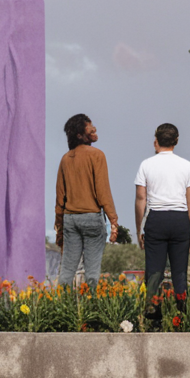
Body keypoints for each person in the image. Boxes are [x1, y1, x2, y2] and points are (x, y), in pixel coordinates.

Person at [134, 123, 190, 316]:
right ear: (176, 141)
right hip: (180, 220)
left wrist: (139, 230)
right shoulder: (187, 165)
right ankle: (181, 314)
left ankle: (152, 314)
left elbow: (140, 199)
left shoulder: (146, 164)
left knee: (154, 272)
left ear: (156, 141)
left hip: (157, 219)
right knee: (180, 272)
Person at [55, 114, 118, 288]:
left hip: (70, 219)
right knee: (92, 270)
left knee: (67, 269)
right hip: (91, 217)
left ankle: (60, 307)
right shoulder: (97, 155)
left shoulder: (65, 159)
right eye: (89, 126)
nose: (94, 128)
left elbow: (60, 198)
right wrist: (113, 220)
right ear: (80, 135)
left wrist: (59, 228)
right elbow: (103, 191)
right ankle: (91, 307)